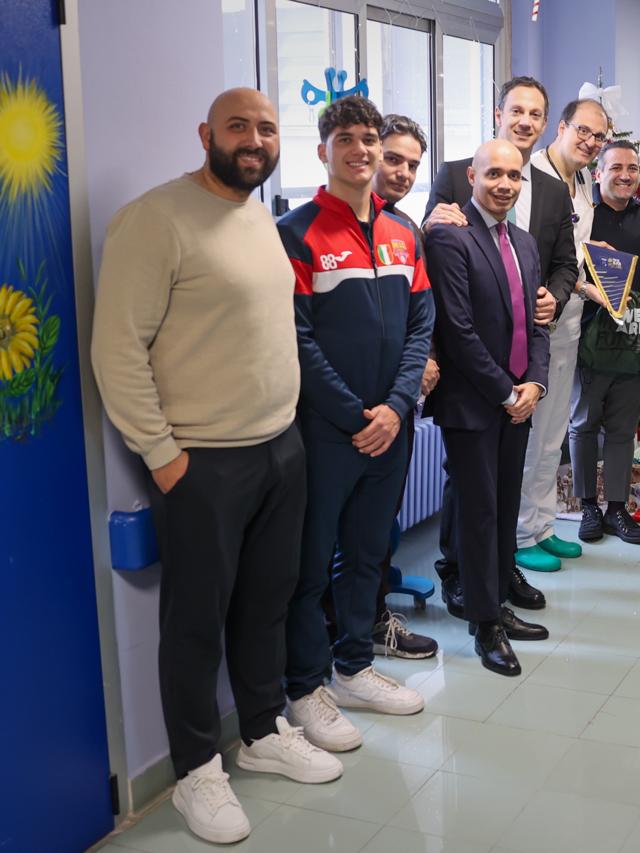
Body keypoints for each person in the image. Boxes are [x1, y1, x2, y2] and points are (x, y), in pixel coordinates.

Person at [91, 88, 341, 844]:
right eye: (239, 127)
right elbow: (117, 351)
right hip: (202, 464)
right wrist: (165, 459)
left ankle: (261, 731)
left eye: (266, 129)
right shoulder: (156, 219)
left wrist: (288, 435)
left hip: (279, 449)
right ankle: (197, 771)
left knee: (267, 601)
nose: (254, 140)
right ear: (207, 134)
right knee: (195, 623)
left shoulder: (257, 215)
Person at [280, 96, 433, 753]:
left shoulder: (404, 232)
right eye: (347, 138)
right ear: (324, 150)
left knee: (370, 553)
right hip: (326, 430)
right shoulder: (296, 231)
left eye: (370, 138)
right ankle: (305, 685)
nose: (362, 150)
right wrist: (355, 414)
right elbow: (296, 337)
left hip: (390, 430)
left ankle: (352, 667)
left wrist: (396, 408)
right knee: (313, 563)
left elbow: (421, 324)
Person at [423, 76, 565, 620]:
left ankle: (500, 576)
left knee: (502, 498)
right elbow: (445, 300)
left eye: (536, 113)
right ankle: (467, 585)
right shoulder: (452, 207)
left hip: (516, 374)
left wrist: (534, 380)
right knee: (473, 497)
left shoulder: (541, 205)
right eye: (517, 110)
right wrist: (507, 390)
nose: (526, 120)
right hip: (476, 385)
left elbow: (553, 274)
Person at [513, 97, 611, 571]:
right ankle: (519, 532)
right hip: (537, 321)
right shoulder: (529, 177)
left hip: (568, 323)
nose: (591, 143)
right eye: (584, 132)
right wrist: (576, 281)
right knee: (531, 434)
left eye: (599, 137)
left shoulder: (584, 180)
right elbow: (531, 253)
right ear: (563, 127)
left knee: (553, 434)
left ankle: (543, 525)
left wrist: (595, 255)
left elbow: (569, 244)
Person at [355, 112, 438, 661]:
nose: (404, 172)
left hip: (397, 407)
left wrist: (415, 376)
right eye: (394, 158)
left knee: (380, 525)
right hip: (343, 413)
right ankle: (349, 632)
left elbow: (419, 319)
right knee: (340, 538)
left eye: (413, 164)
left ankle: (372, 620)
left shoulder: (407, 230)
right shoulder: (315, 228)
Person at [571, 139, 640, 545]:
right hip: (586, 336)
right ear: (598, 172)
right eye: (615, 168)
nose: (625, 175)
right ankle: (588, 505)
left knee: (623, 428)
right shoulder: (580, 214)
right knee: (584, 423)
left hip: (633, 341)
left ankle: (618, 509)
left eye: (632, 168)